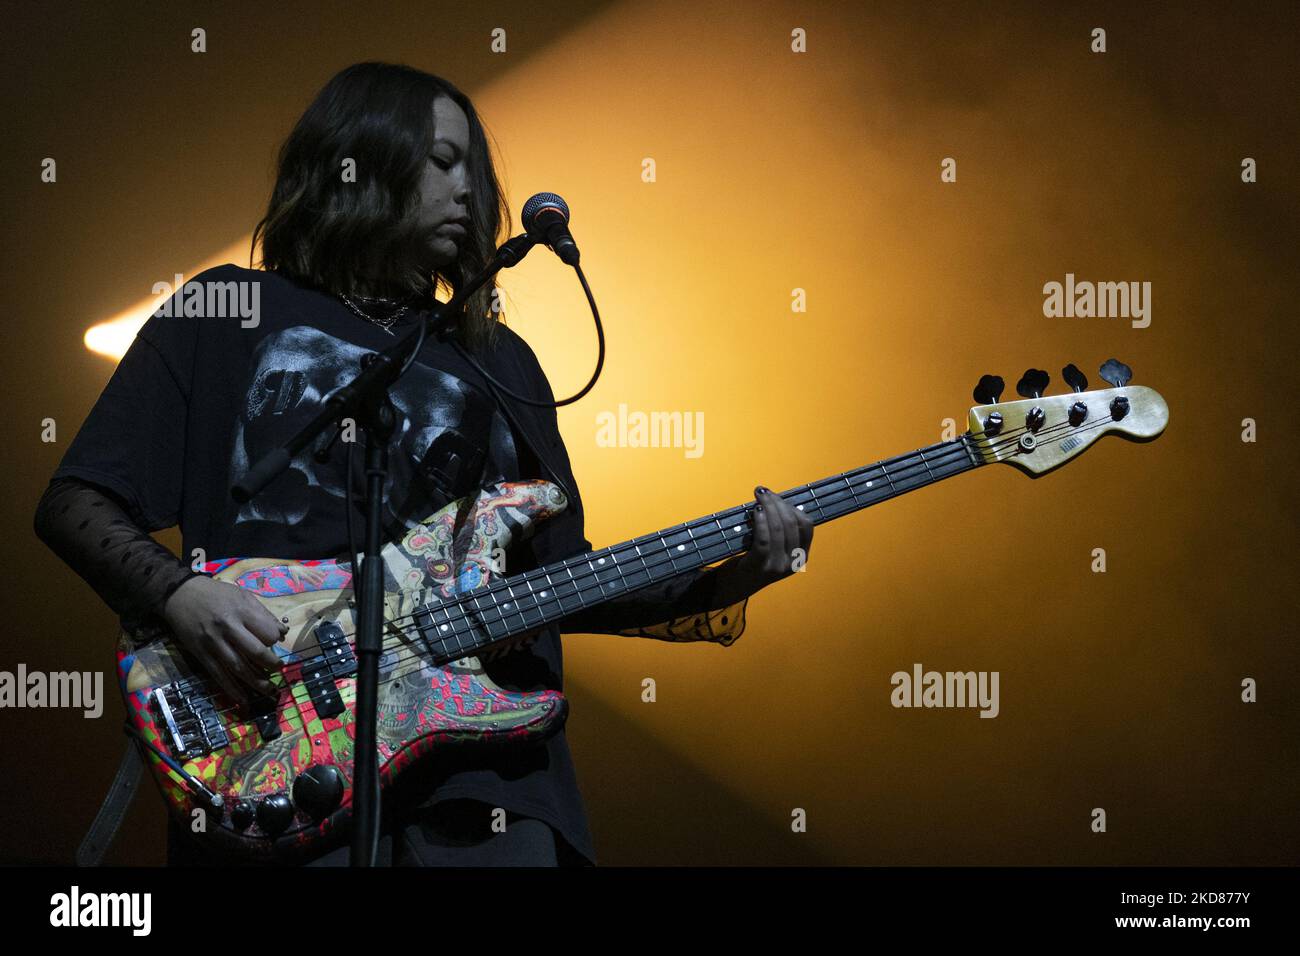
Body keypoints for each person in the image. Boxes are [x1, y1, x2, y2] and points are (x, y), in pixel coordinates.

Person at [32, 62, 813, 867]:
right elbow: (77, 500)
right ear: (361, 160)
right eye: (441, 162)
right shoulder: (227, 312)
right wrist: (179, 592)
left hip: (486, 790)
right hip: (272, 756)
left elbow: (568, 577)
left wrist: (740, 572)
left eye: (472, 169)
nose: (468, 190)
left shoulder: (501, 362)